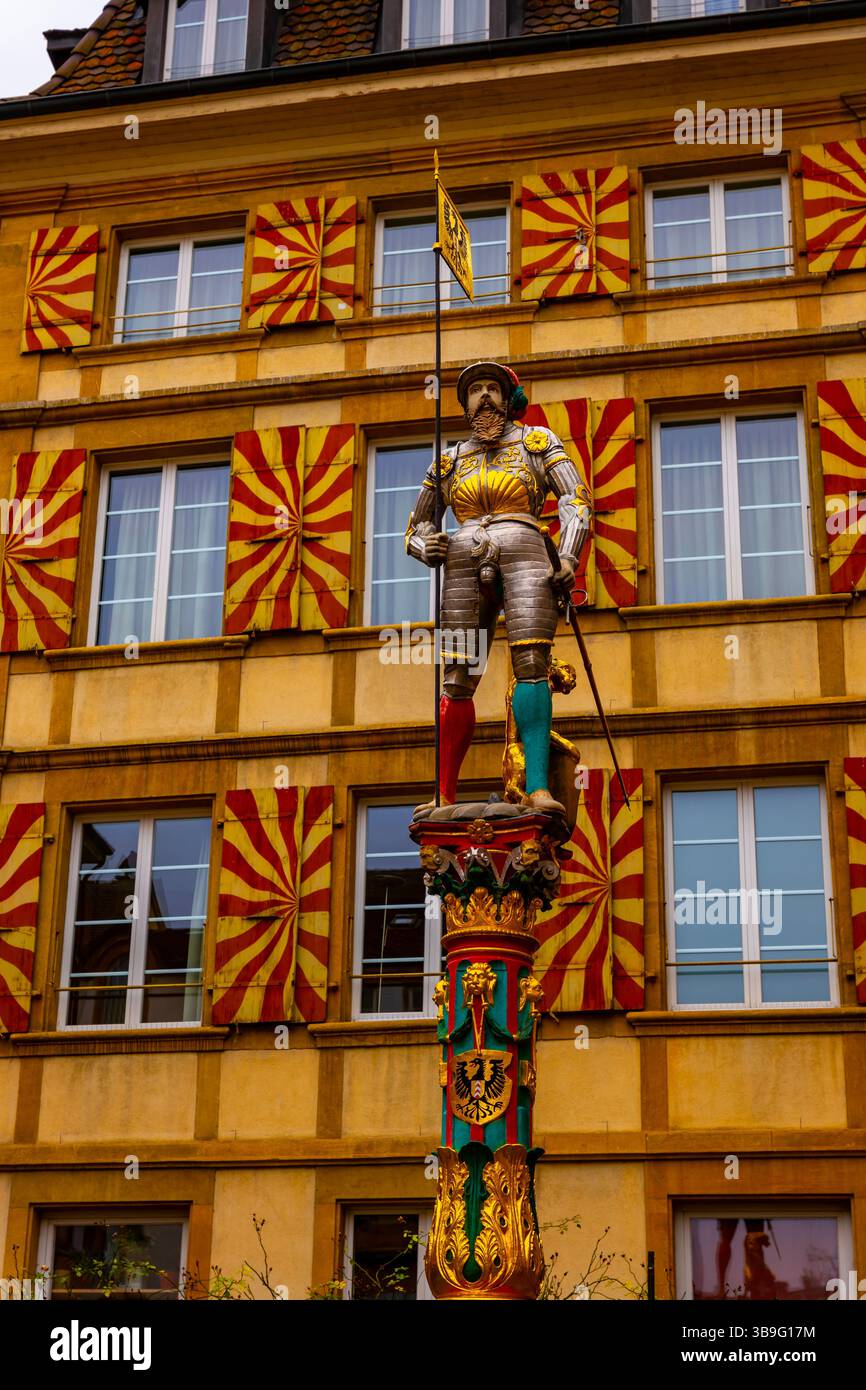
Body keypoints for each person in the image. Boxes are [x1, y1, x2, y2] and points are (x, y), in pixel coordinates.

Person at [405, 360, 591, 814]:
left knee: (531, 663)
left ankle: (538, 787)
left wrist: (568, 554)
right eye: (475, 391)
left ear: (508, 400)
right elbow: (415, 526)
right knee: (457, 674)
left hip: (525, 547)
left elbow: (576, 497)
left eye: (492, 389)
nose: (484, 397)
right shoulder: (447, 461)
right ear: (465, 404)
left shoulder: (537, 441)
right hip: (462, 559)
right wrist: (423, 546)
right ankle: (443, 791)